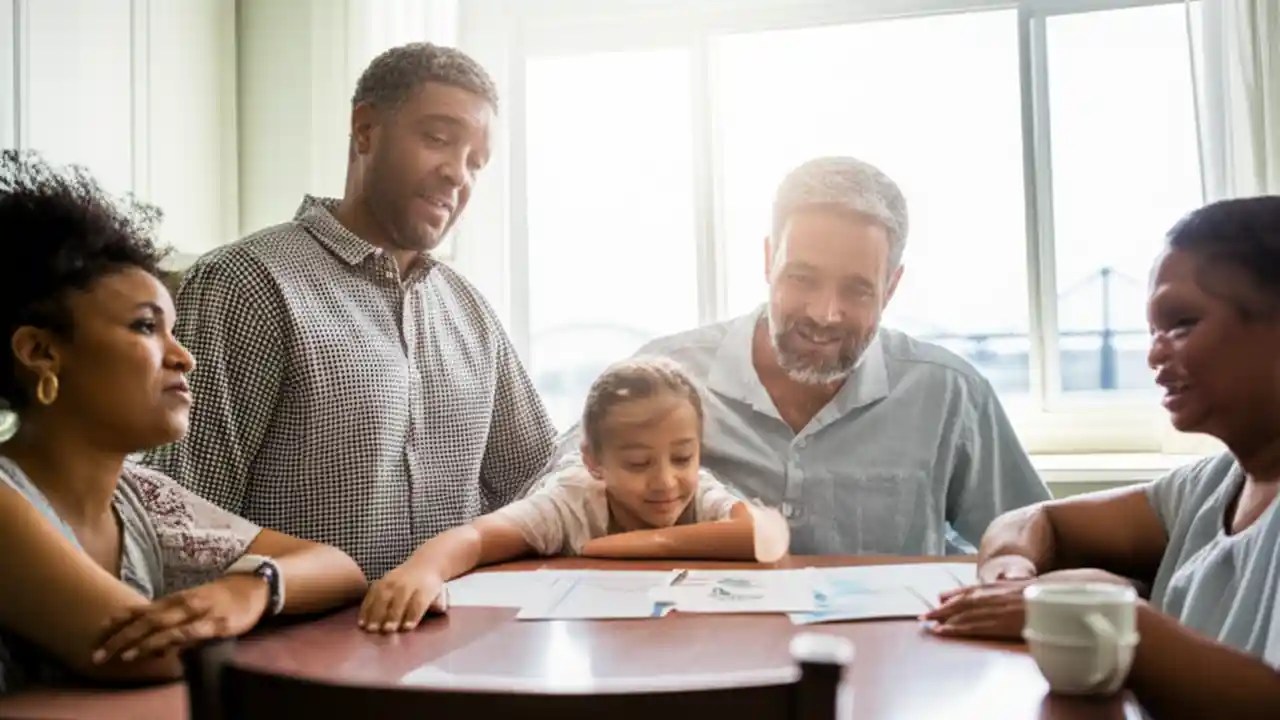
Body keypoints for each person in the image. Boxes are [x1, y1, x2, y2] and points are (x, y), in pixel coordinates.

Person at [144, 43, 557, 579]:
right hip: (292, 651)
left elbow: (540, 483)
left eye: (476, 163)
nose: (459, 175)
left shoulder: (469, 310)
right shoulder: (247, 282)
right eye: (438, 139)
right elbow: (183, 517)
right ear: (365, 130)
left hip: (453, 649)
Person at [546, 156, 1050, 556]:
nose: (825, 314)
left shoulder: (949, 394)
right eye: (802, 278)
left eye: (856, 290)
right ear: (769, 261)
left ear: (891, 287)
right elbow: (555, 491)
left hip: (886, 669)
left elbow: (1035, 534)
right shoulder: (667, 376)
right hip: (704, 659)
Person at [0, 153, 367, 694]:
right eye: (146, 327)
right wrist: (235, 603)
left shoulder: (142, 498)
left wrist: (252, 588)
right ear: (40, 352)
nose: (183, 357)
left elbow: (340, 570)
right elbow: (143, 653)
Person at [924, 197, 1280, 718]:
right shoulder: (1211, 486)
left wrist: (1114, 621)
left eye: (1181, 323)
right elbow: (1036, 521)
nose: (1155, 354)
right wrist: (1009, 571)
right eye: (1154, 331)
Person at [358, 358, 790, 632]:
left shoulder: (696, 487)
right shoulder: (571, 500)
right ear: (594, 462)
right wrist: (424, 569)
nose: (665, 482)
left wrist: (620, 546)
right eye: (639, 463)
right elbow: (476, 538)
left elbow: (766, 535)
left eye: (682, 457)